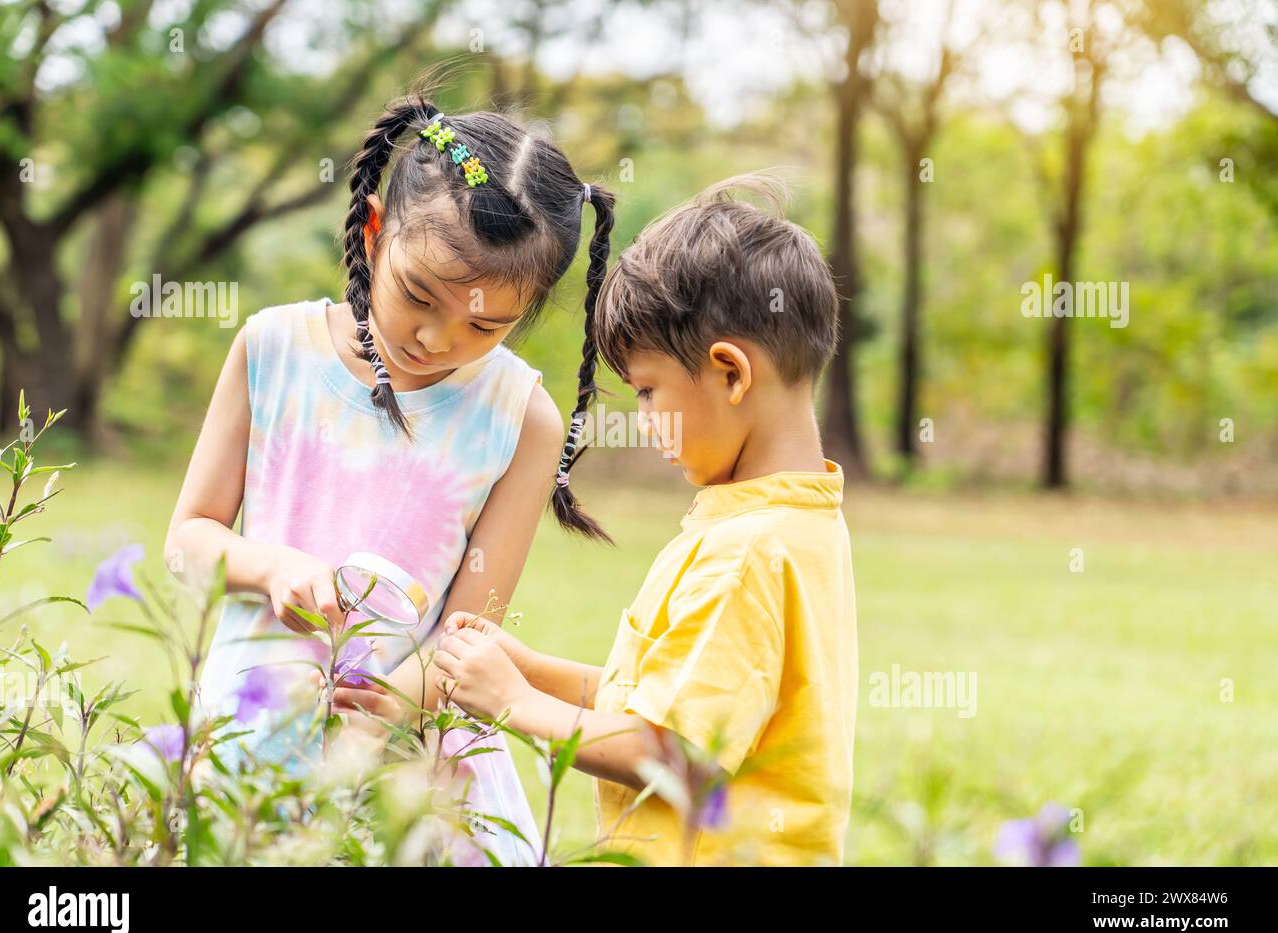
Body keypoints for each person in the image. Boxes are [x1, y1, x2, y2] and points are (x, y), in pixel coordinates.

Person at [340, 175, 859, 866]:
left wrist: (514, 703)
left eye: (648, 392)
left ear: (731, 373)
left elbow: (673, 756)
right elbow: (668, 701)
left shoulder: (746, 552)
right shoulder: (799, 523)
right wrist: (532, 670)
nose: (645, 423)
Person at [164, 89, 616, 866]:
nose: (437, 339)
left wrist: (382, 715)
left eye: (485, 325)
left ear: (529, 307)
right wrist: (275, 565)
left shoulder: (522, 419)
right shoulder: (273, 348)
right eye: (418, 295)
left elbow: (474, 630)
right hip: (252, 725)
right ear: (374, 233)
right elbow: (187, 542)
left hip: (411, 763)